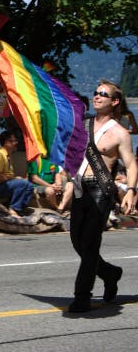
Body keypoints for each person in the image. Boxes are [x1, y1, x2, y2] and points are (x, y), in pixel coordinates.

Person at [67, 80, 137, 312]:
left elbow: (131, 164)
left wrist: (131, 190)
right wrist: (64, 178)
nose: (97, 97)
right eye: (96, 93)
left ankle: (82, 296)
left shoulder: (120, 133)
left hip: (101, 190)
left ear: (114, 101)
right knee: (77, 241)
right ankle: (110, 273)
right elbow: (72, 154)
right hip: (79, 187)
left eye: (103, 94)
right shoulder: (83, 124)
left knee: (90, 243)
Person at [0, 131, 34, 217]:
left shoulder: (7, 155)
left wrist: (15, 178)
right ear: (6, 142)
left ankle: (20, 208)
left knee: (29, 185)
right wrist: (14, 178)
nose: (16, 143)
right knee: (23, 183)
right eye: (12, 141)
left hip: (3, 184)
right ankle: (13, 209)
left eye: (15, 140)